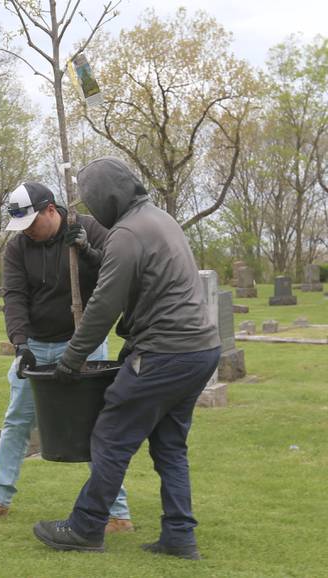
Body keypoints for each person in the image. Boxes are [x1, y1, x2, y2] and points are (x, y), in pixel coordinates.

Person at [31, 157, 220, 560]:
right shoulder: (159, 219)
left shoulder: (127, 232)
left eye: (93, 200)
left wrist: (71, 359)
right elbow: (130, 272)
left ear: (106, 197)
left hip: (164, 352)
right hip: (201, 349)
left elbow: (104, 304)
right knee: (169, 445)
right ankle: (179, 536)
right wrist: (87, 250)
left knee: (111, 435)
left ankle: (85, 527)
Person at [0, 181, 134, 534]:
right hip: (36, 344)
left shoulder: (89, 228)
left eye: (31, 223)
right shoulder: (17, 247)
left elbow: (117, 276)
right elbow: (15, 297)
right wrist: (21, 345)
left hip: (83, 342)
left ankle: (117, 513)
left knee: (94, 426)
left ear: (50, 210)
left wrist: (86, 250)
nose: (27, 232)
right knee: (17, 421)